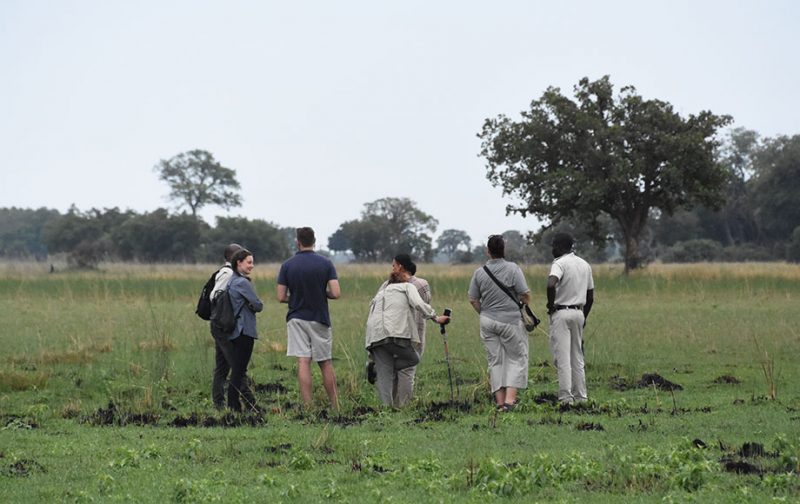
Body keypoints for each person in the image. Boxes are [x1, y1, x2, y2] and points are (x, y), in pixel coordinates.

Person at [277, 227, 341, 409]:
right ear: (314, 241)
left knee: (303, 360)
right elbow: (336, 293)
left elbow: (281, 296)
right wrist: (321, 294)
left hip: (296, 317)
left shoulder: (287, 265)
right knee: (325, 362)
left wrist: (296, 296)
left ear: (297, 242)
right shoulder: (326, 263)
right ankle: (335, 405)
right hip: (319, 317)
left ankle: (308, 405)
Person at [365, 270, 450, 407]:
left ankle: (386, 409)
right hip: (395, 333)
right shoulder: (407, 287)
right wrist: (435, 317)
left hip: (374, 334)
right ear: (404, 279)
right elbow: (418, 303)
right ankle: (379, 370)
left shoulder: (381, 292)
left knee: (384, 373)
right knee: (413, 359)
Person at [468, 235, 531, 412]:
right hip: (510, 321)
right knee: (516, 358)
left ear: (488, 251)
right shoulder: (513, 269)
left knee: (495, 361)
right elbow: (525, 294)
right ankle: (510, 402)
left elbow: (473, 299)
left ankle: (500, 402)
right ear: (504, 250)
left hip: (487, 321)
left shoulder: (479, 272)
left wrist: (485, 313)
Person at [365, 254, 431, 404]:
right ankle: (404, 406)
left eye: (393, 265)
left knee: (387, 372)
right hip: (408, 332)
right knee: (408, 370)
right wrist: (435, 317)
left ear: (400, 266)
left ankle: (389, 408)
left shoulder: (385, 286)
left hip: (380, 332)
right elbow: (424, 304)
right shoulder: (420, 284)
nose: (392, 267)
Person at [546, 232, 594, 405]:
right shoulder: (584, 264)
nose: (552, 249)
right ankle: (581, 397)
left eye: (553, 245)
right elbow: (590, 296)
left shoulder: (559, 263)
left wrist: (551, 306)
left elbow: (551, 283)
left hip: (561, 313)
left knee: (563, 358)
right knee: (578, 357)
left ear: (560, 246)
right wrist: (584, 316)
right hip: (579, 313)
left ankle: (566, 398)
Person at [225, 248, 264, 412]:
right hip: (244, 331)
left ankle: (234, 404)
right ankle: (233, 405)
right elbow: (258, 305)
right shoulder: (242, 282)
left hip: (234, 332)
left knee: (237, 369)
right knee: (239, 371)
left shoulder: (231, 281)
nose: (252, 266)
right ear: (238, 263)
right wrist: (251, 305)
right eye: (249, 262)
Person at [210, 243, 242, 410]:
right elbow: (214, 296)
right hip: (222, 325)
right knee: (236, 364)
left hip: (224, 325)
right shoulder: (227, 273)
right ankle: (248, 402)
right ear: (232, 257)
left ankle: (219, 404)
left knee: (222, 366)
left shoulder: (233, 274)